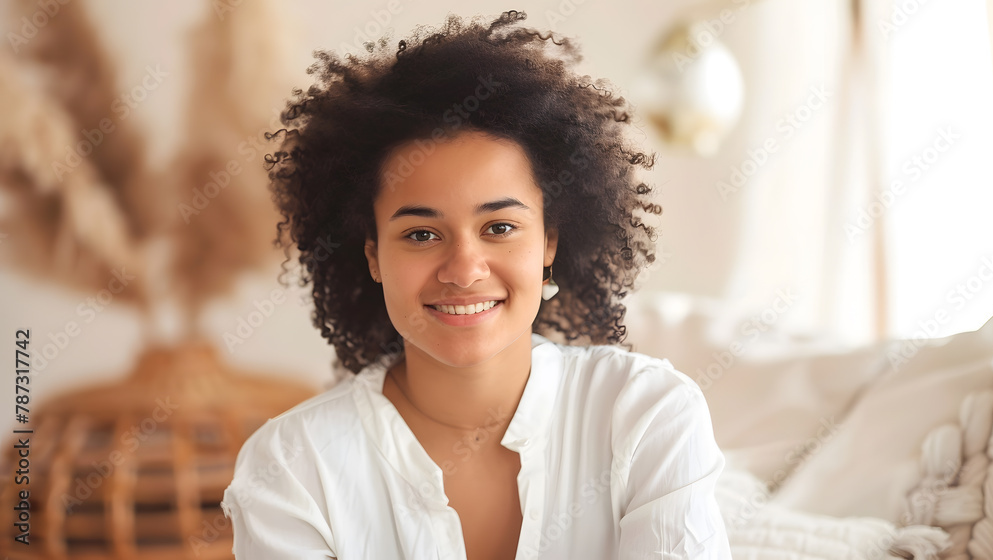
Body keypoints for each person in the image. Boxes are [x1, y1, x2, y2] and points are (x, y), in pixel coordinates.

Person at [221, 10, 732, 559]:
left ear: (550, 243)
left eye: (500, 228)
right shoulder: (294, 467)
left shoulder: (646, 415)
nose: (464, 270)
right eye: (420, 234)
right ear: (372, 255)